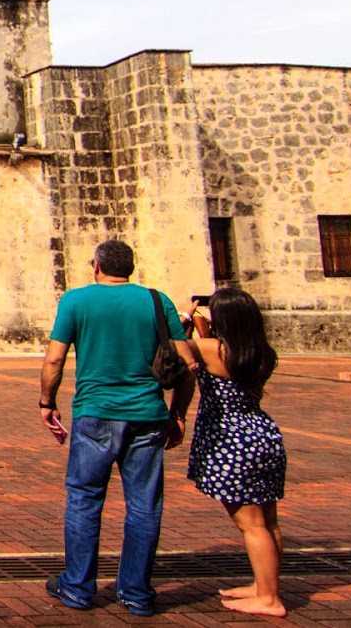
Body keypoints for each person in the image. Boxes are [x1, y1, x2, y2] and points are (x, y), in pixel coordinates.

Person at [39, 239, 194, 617]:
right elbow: (188, 364)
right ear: (131, 268)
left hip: (94, 413)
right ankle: (137, 594)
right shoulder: (157, 301)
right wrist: (178, 413)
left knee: (84, 499)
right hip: (147, 415)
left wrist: (47, 402)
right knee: (143, 505)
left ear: (96, 266)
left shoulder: (75, 301)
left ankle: (77, 587)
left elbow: (55, 359)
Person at [183, 288, 287, 617]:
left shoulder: (209, 348)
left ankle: (269, 599)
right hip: (263, 435)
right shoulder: (262, 352)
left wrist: (187, 317)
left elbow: (175, 347)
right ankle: (265, 585)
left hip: (232, 441)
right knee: (268, 520)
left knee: (251, 524)